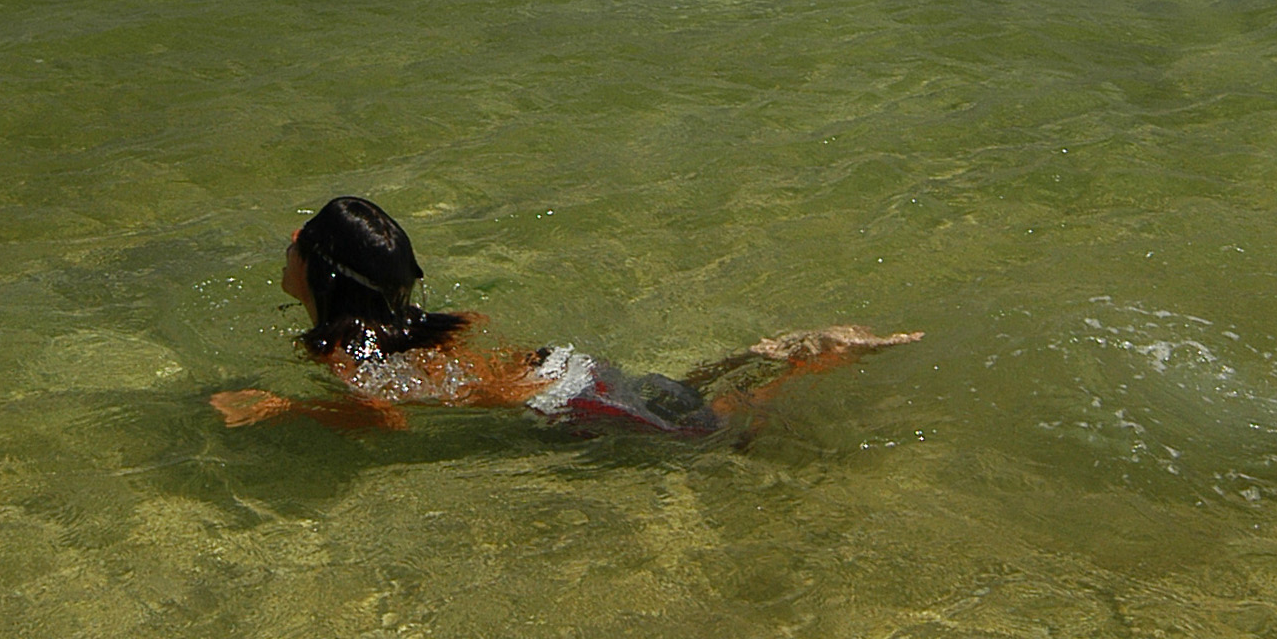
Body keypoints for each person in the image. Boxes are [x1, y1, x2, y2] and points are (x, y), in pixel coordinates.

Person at [211, 197, 920, 444]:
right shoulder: (427, 323)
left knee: (719, 434)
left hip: (567, 404)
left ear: (323, 273)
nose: (290, 243)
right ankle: (768, 352)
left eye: (300, 237)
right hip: (566, 369)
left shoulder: (350, 355)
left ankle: (805, 362)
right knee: (679, 397)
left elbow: (384, 420)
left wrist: (283, 408)